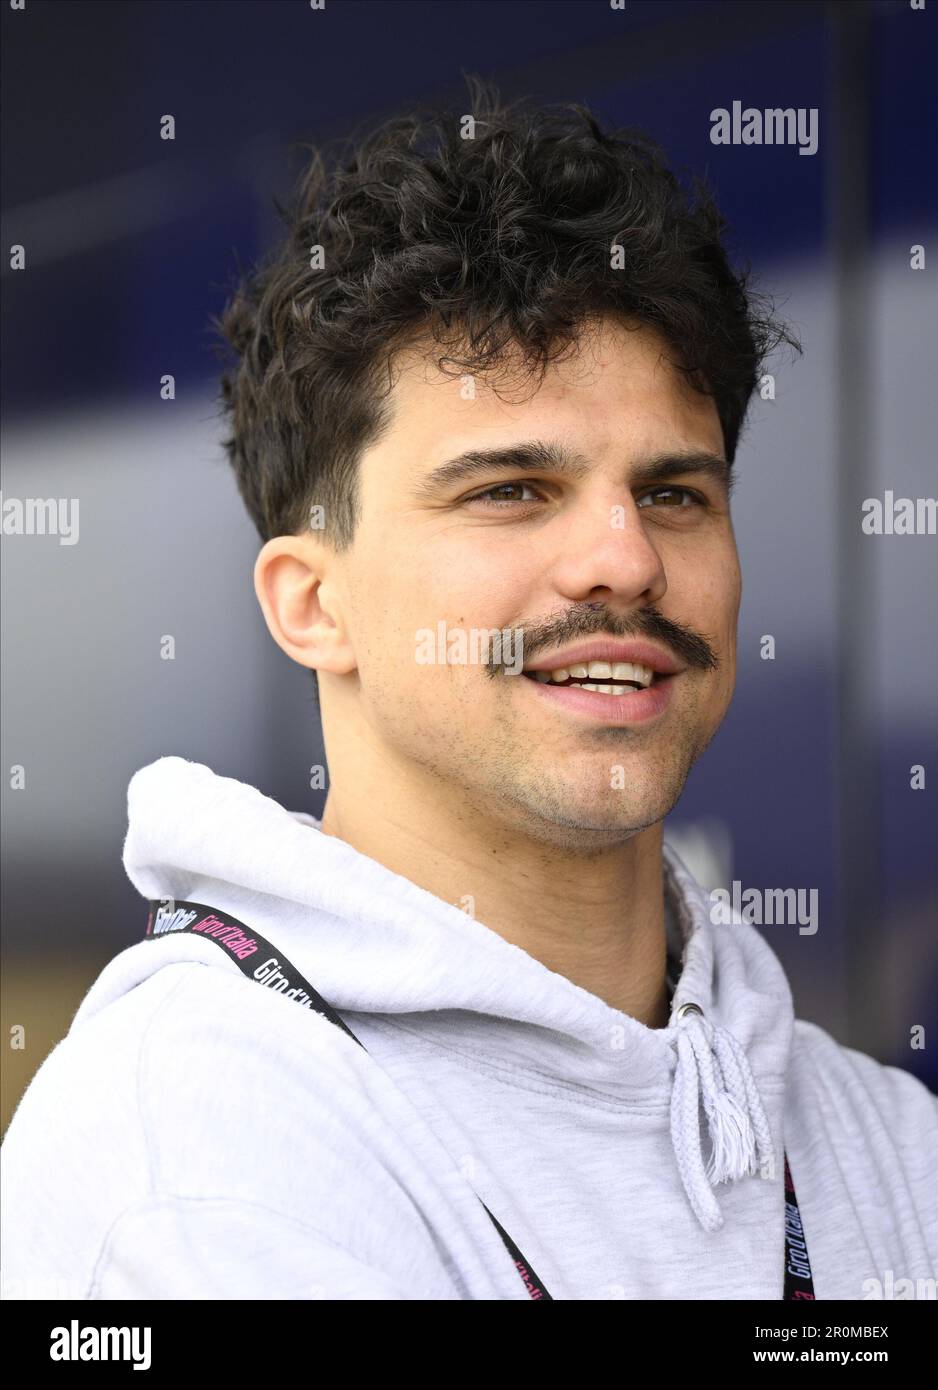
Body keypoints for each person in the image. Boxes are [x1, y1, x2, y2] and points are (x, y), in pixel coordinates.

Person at [2, 78, 935, 1302]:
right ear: (309, 603)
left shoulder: (888, 1144)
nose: (625, 556)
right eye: (509, 490)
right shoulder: (188, 1142)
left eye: (673, 492)